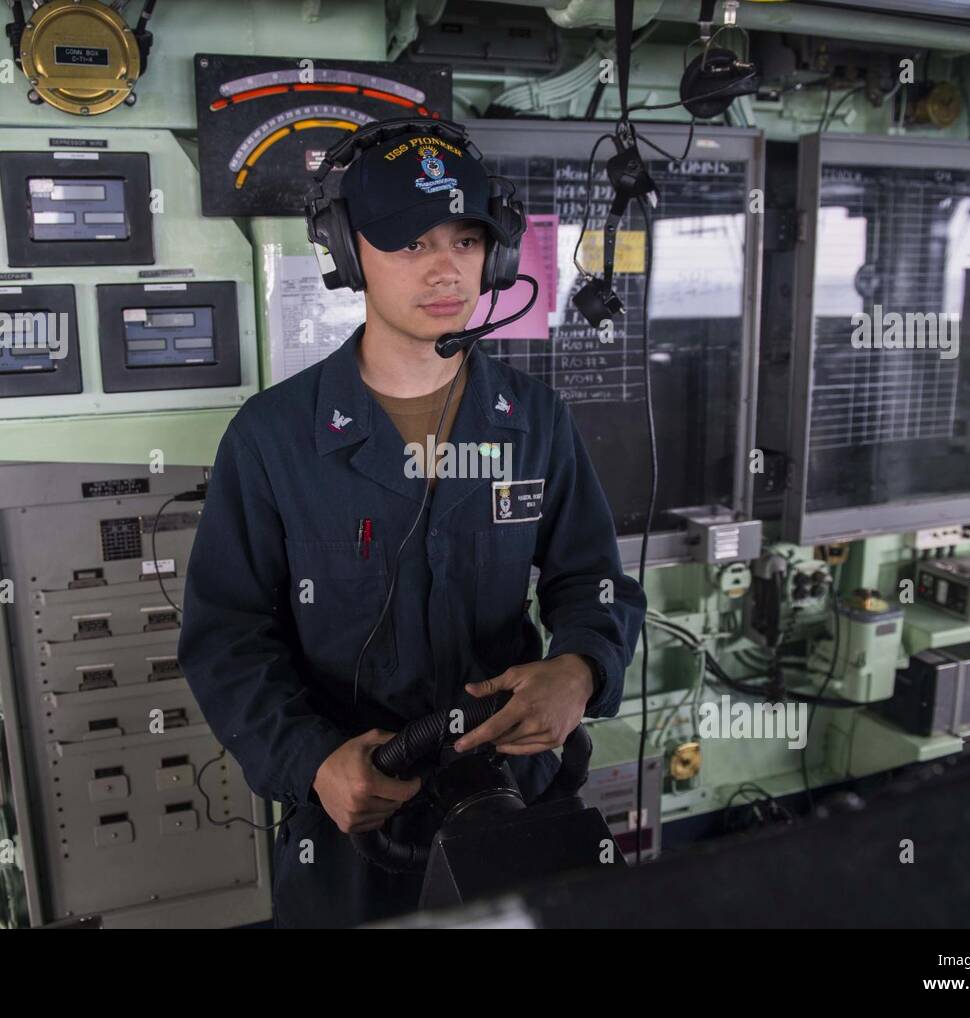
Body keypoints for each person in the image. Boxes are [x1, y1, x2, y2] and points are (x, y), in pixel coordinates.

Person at [178, 118, 646, 928]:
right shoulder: (273, 437)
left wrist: (581, 670)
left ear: (495, 254)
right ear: (346, 252)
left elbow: (591, 581)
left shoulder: (534, 422)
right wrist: (312, 760)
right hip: (359, 829)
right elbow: (227, 638)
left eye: (466, 241)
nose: (445, 269)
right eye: (409, 243)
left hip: (514, 798)